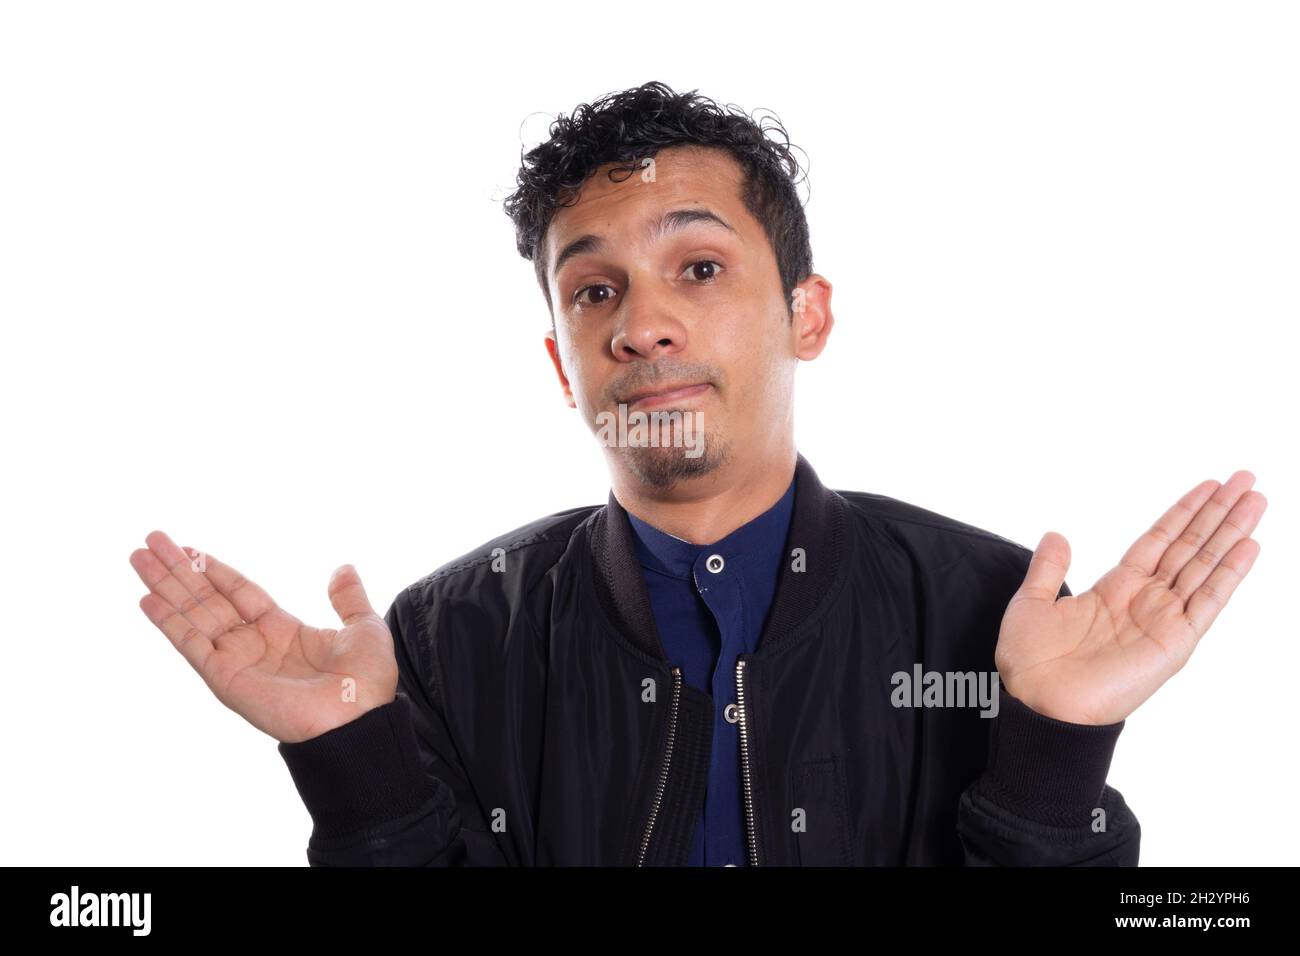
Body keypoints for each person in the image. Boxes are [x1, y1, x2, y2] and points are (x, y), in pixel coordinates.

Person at [129, 81, 1267, 866]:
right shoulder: (439, 639)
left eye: (700, 265)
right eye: (593, 289)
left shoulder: (990, 609)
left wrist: (1054, 743)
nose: (643, 324)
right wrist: (351, 759)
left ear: (804, 313)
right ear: (561, 361)